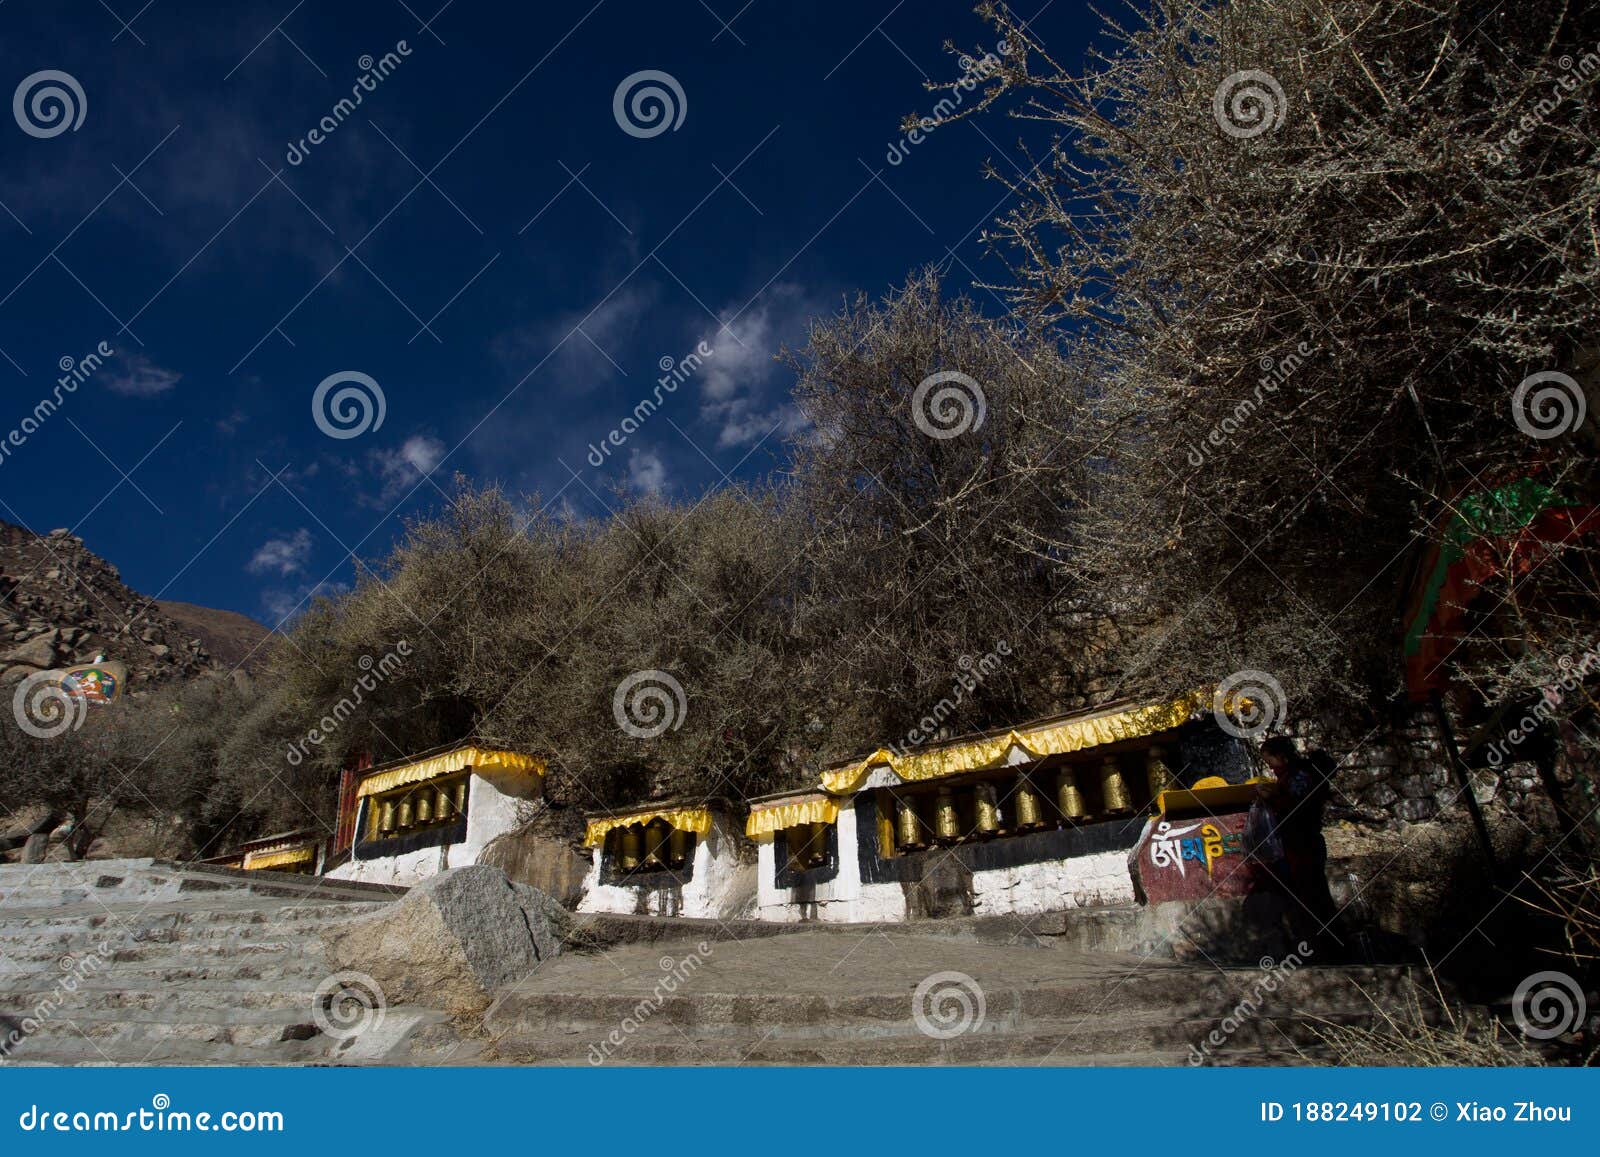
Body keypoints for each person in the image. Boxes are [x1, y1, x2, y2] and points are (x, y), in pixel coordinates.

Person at [1258, 736, 1344, 954]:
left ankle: (1328, 947)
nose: (1271, 767)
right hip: (1299, 843)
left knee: (1313, 895)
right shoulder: (1291, 776)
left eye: (1270, 762)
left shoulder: (1297, 777)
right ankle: (1322, 945)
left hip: (1304, 841)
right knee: (1308, 893)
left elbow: (1299, 809)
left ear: (1281, 756)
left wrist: (1273, 799)